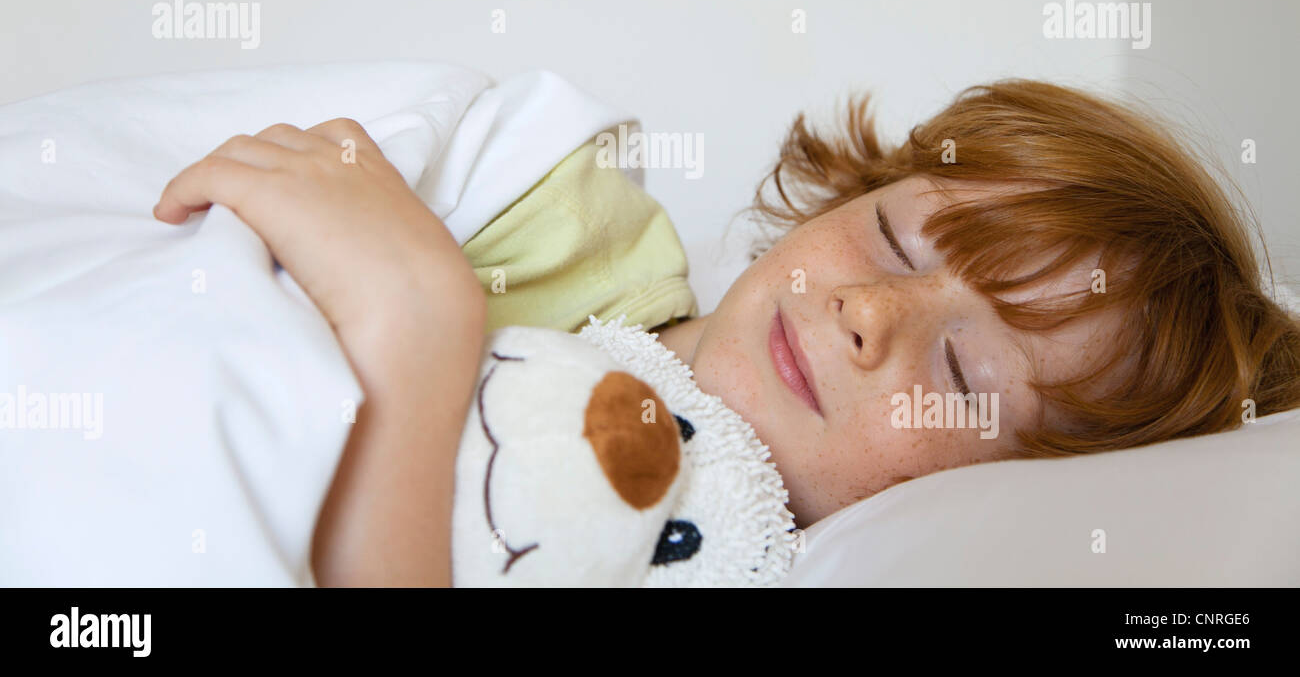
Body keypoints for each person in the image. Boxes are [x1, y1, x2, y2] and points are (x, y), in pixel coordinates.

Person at [153, 79, 1300, 586]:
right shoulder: (563, 222)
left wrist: (417, 321)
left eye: (962, 369)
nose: (870, 316)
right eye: (896, 240)